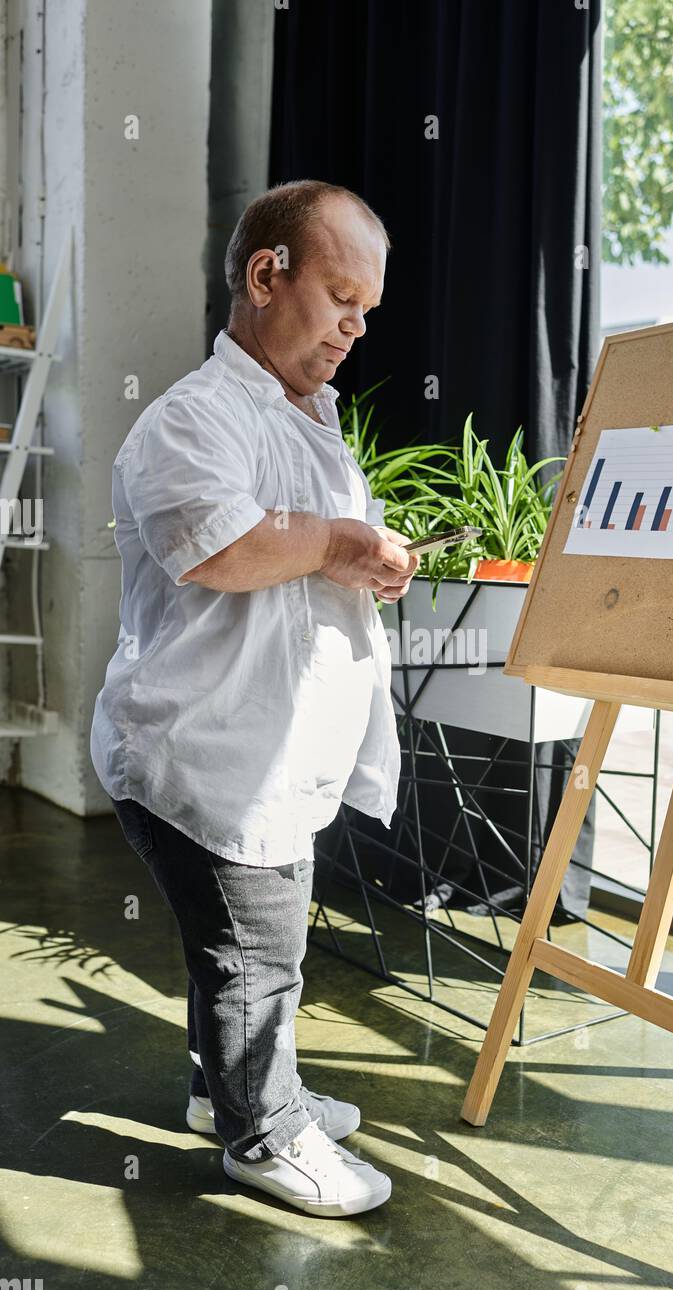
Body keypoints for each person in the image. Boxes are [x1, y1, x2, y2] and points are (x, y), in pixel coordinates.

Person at [91, 179, 419, 1218]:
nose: (352, 331)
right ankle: (262, 1133)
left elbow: (303, 556)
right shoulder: (189, 419)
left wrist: (357, 558)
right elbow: (225, 549)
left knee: (243, 945)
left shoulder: (305, 421)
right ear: (267, 274)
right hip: (202, 755)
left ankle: (220, 1089)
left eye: (366, 313)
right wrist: (340, 542)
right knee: (256, 955)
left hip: (267, 754)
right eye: (338, 299)